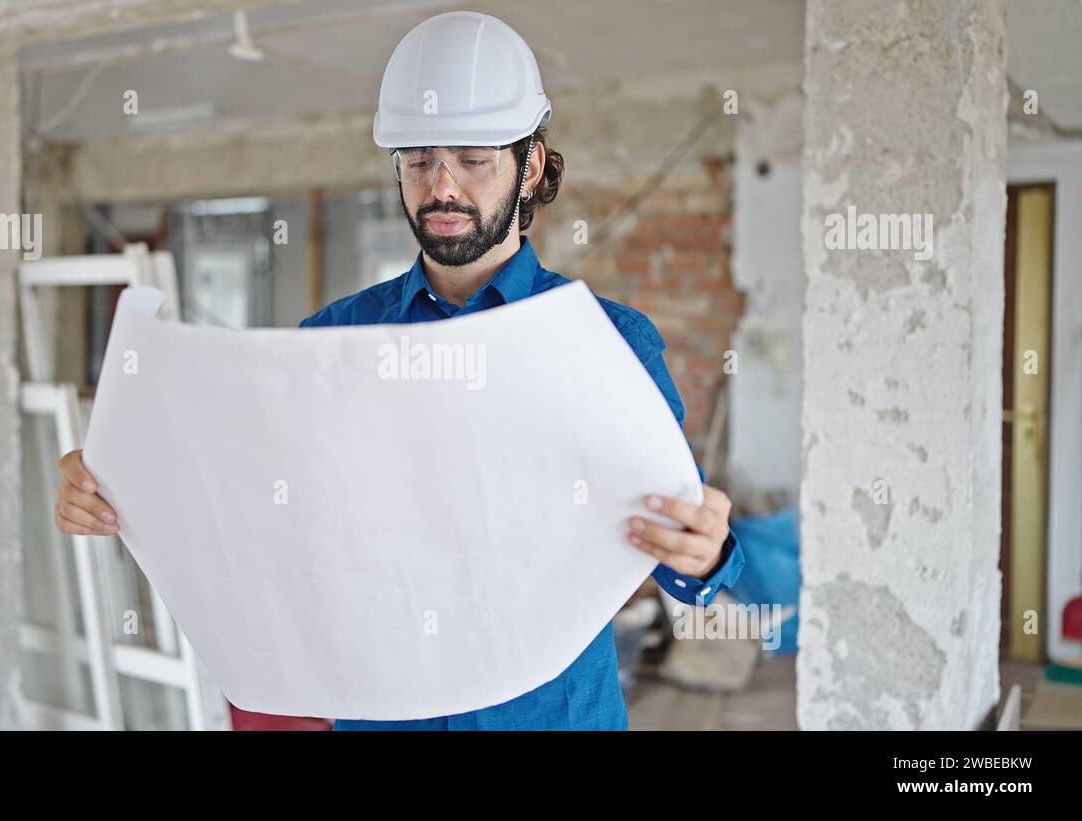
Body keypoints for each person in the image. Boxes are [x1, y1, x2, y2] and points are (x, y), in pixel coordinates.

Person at [56, 10, 744, 730]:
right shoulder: (333, 342)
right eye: (418, 159)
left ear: (531, 165)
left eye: (473, 159)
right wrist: (113, 481)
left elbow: (682, 559)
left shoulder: (610, 344)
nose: (441, 186)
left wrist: (706, 551)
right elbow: (244, 499)